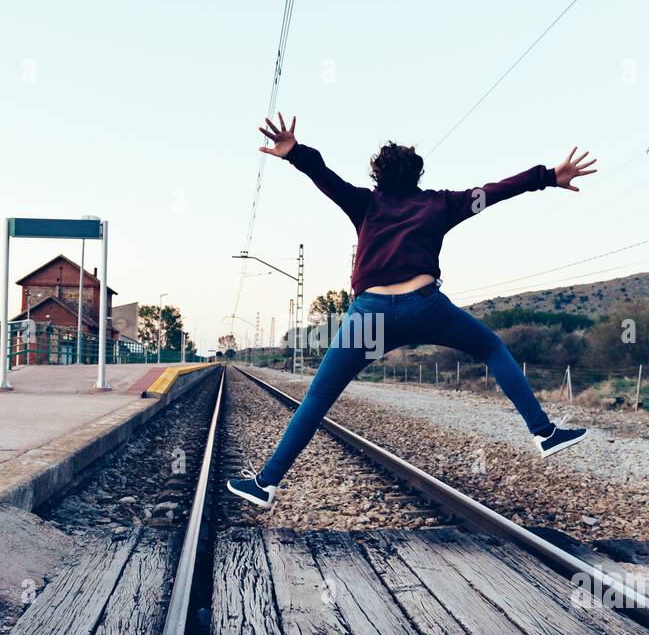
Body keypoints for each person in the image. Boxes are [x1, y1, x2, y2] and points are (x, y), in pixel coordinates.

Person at [227, 112, 597, 509]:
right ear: (417, 175)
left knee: (318, 396)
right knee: (491, 348)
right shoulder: (440, 204)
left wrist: (295, 152)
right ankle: (543, 433)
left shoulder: (364, 203)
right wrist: (546, 176)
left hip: (369, 317)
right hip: (426, 307)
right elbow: (494, 191)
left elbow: (325, 177)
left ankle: (266, 483)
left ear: (377, 177)